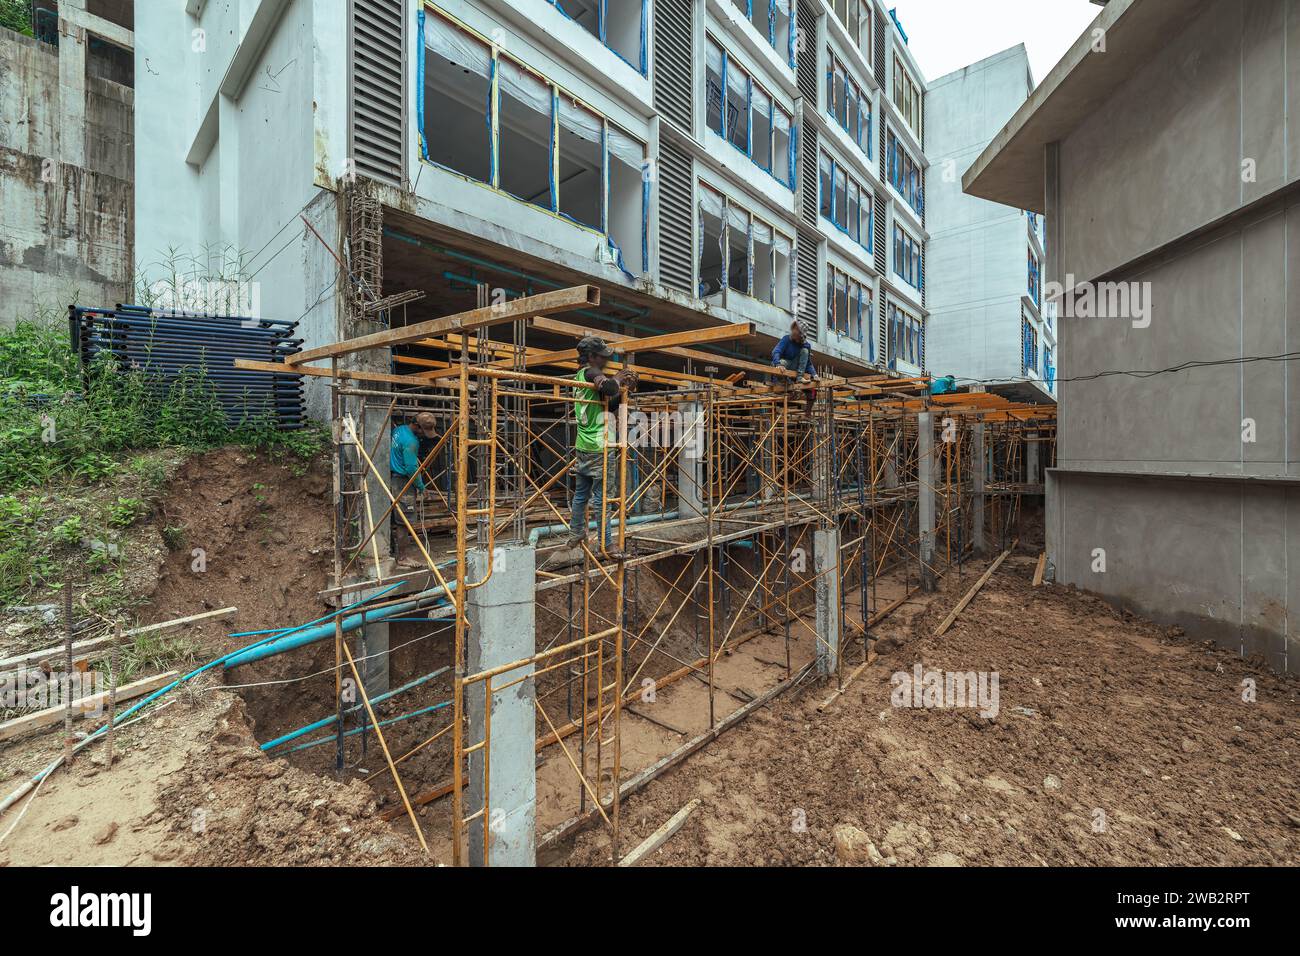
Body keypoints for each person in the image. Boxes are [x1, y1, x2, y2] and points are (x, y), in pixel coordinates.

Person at [570, 335, 638, 558]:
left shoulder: (581, 377)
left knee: (581, 493)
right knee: (602, 499)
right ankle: (607, 544)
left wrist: (625, 387)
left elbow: (610, 402)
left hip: (583, 445)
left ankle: (576, 532)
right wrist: (617, 378)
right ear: (591, 357)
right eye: (602, 357)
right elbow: (608, 387)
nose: (605, 362)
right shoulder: (590, 372)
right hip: (600, 447)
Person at [391, 412, 438, 557]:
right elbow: (411, 468)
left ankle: (393, 551)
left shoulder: (399, 430)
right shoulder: (411, 442)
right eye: (423, 431)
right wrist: (422, 487)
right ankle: (403, 557)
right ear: (417, 426)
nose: (424, 434)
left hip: (393, 478)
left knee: (396, 517)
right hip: (403, 481)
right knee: (404, 521)